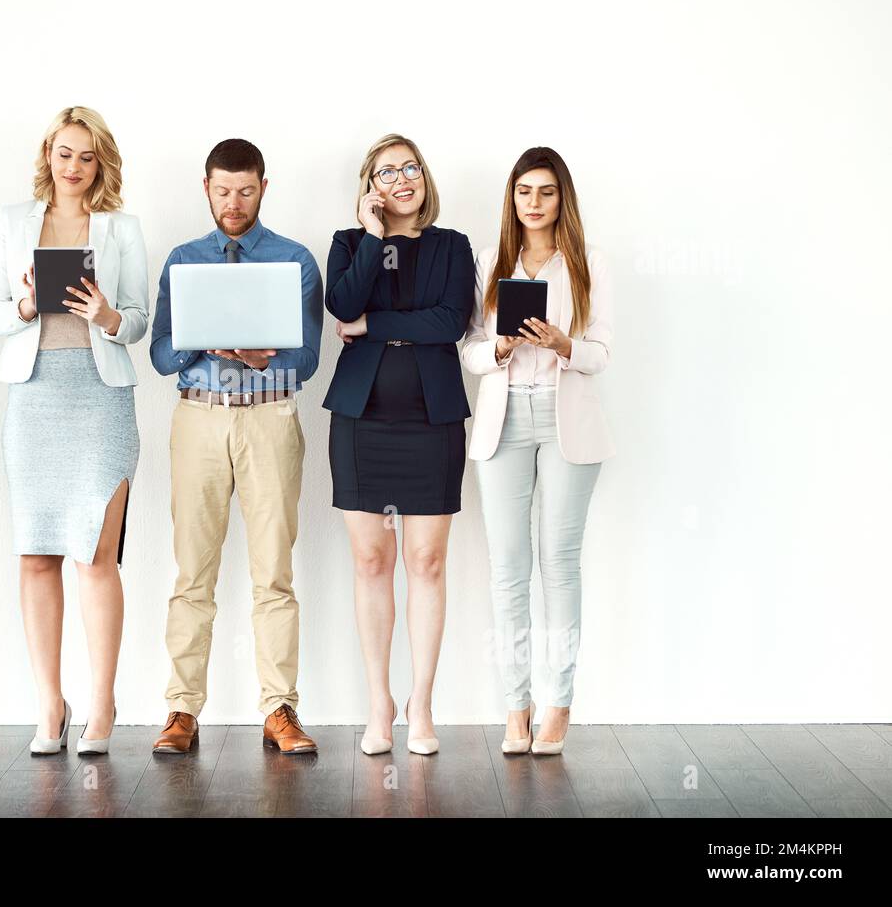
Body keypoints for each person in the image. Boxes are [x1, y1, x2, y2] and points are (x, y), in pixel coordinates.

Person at [0, 106, 149, 756]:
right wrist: (27, 303)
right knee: (36, 553)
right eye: (64, 153)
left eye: (86, 156)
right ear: (47, 155)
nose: (73, 167)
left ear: (101, 163)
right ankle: (50, 703)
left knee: (95, 557)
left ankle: (102, 702)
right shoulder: (12, 223)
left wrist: (106, 313)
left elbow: (139, 320)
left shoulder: (121, 228)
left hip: (101, 399)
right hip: (34, 396)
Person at [148, 139, 323, 754]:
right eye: (223, 191)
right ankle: (181, 710)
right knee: (192, 572)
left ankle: (279, 709)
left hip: (270, 417)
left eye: (246, 191)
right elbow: (160, 354)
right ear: (206, 188)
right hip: (199, 418)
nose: (234, 203)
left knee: (274, 572)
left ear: (263, 188)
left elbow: (308, 358)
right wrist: (203, 341)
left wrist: (262, 356)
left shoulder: (294, 260)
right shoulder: (183, 260)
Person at [460, 146, 615, 756]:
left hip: (564, 417)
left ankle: (558, 704)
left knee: (560, 563)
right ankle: (515, 706)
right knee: (508, 569)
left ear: (561, 198)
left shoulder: (588, 263)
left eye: (546, 191)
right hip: (503, 422)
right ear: (512, 198)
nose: (534, 202)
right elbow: (469, 351)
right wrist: (500, 349)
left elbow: (601, 353)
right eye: (524, 191)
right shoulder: (489, 261)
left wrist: (562, 343)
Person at [324, 134, 475, 756]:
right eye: (386, 172)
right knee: (371, 561)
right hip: (362, 420)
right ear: (369, 187)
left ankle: (422, 702)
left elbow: (450, 321)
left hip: (432, 421)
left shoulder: (452, 246)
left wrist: (371, 326)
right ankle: (380, 703)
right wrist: (372, 235)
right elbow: (341, 303)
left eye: (410, 168)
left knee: (427, 561)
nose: (402, 179)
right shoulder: (349, 243)